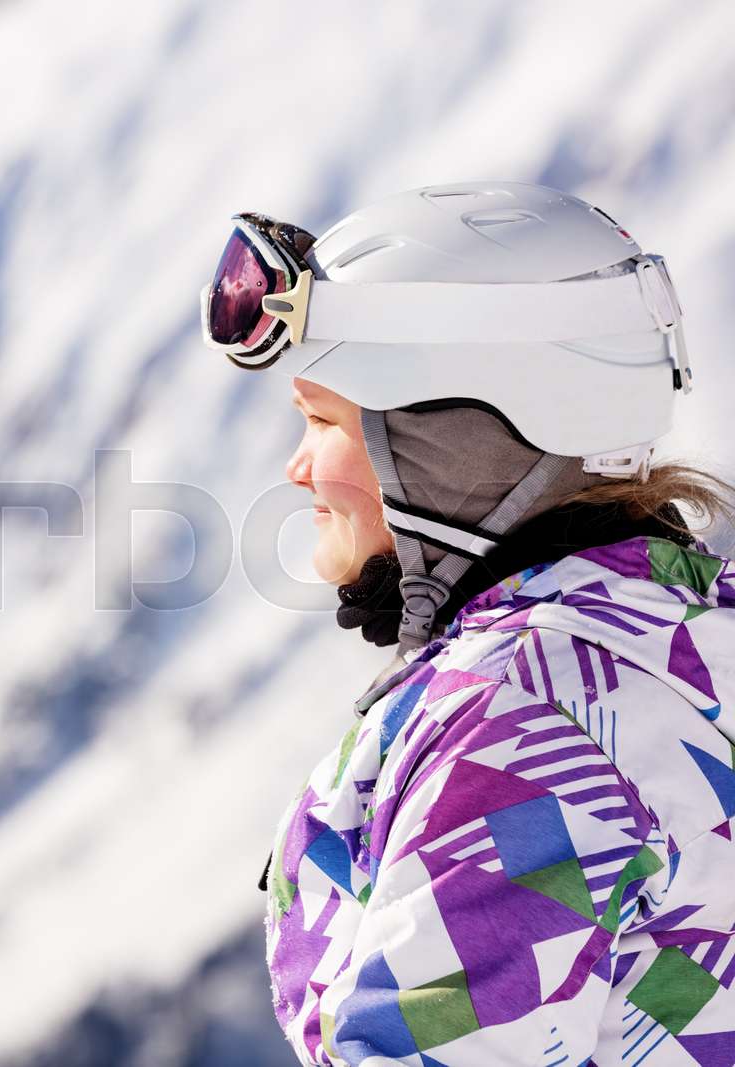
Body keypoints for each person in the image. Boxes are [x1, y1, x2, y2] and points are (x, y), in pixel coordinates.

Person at [201, 181, 735, 1065]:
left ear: (446, 445)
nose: (298, 467)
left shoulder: (527, 730)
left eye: (323, 420)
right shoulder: (685, 640)